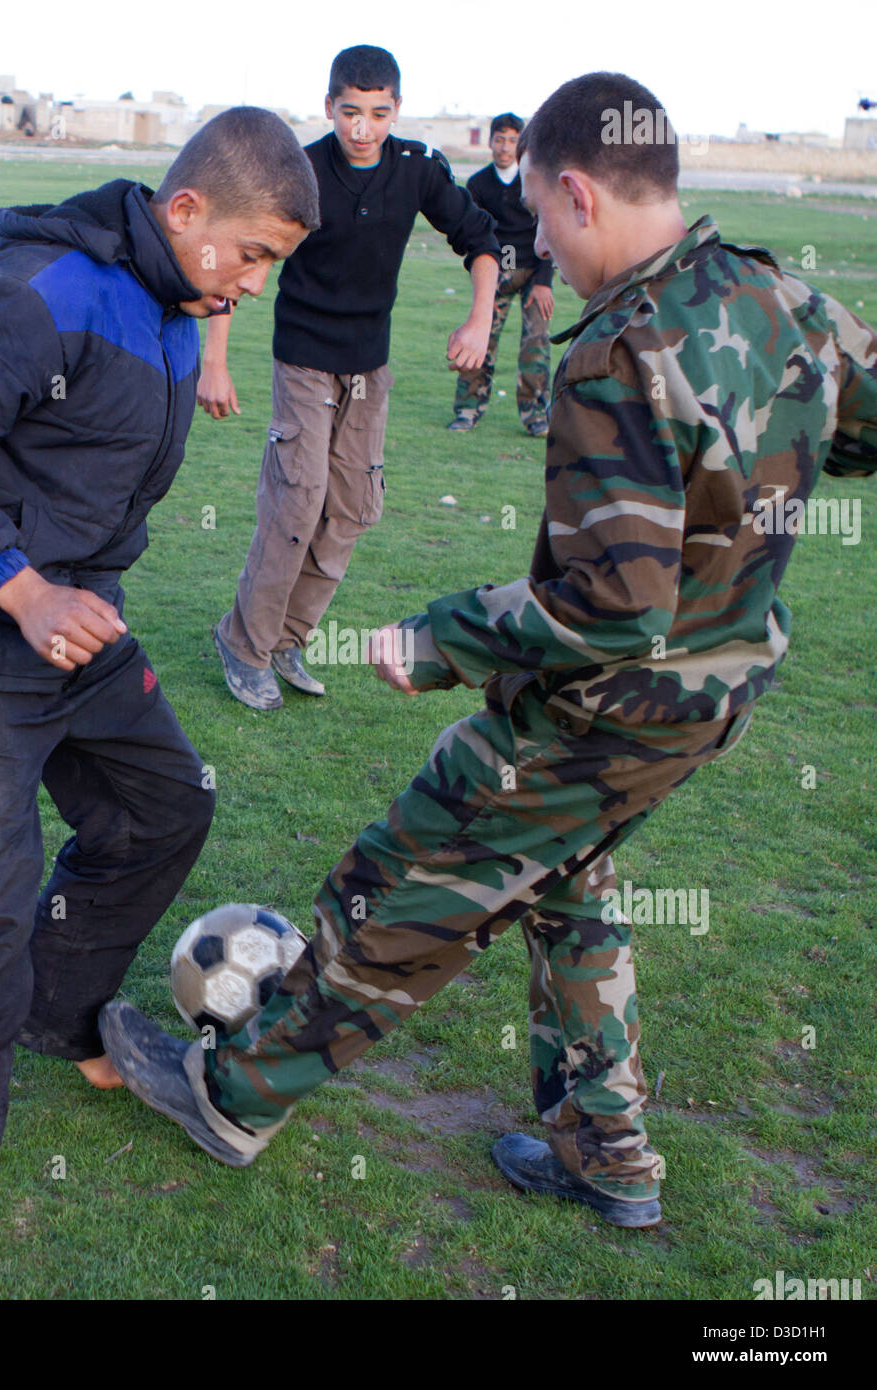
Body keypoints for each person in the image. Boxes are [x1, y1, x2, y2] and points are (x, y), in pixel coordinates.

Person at [100, 72, 877, 1228]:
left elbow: (616, 603)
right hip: (712, 704)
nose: (539, 257)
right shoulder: (786, 298)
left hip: (598, 712)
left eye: (539, 227)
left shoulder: (615, 353)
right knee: (569, 896)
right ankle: (603, 1148)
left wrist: (438, 637)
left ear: (575, 192)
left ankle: (229, 1092)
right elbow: (854, 435)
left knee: (395, 887)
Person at [0, 107, 319, 1246]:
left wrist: (74, 594)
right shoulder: (43, 289)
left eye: (273, 264)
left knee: (167, 802)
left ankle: (61, 1009)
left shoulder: (178, 303)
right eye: (253, 254)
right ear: (183, 212)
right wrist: (21, 588)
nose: (255, 284)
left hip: (80, 631)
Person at [204, 44, 501, 711]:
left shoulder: (418, 168)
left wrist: (479, 322)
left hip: (370, 364)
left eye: (378, 113)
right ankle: (244, 644)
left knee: (351, 509)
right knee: (297, 501)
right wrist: (215, 362)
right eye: (350, 112)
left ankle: (286, 638)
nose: (362, 129)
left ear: (396, 109)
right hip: (304, 358)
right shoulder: (301, 172)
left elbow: (481, 243)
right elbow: (241, 259)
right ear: (329, 106)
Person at [448, 112, 554, 436]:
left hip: (534, 273)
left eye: (512, 140)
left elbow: (548, 229)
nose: (505, 147)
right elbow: (477, 235)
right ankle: (468, 409)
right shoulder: (479, 184)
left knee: (535, 345)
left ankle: (536, 416)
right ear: (490, 142)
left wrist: (544, 283)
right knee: (481, 340)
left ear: (521, 143)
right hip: (497, 272)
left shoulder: (534, 179)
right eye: (499, 139)